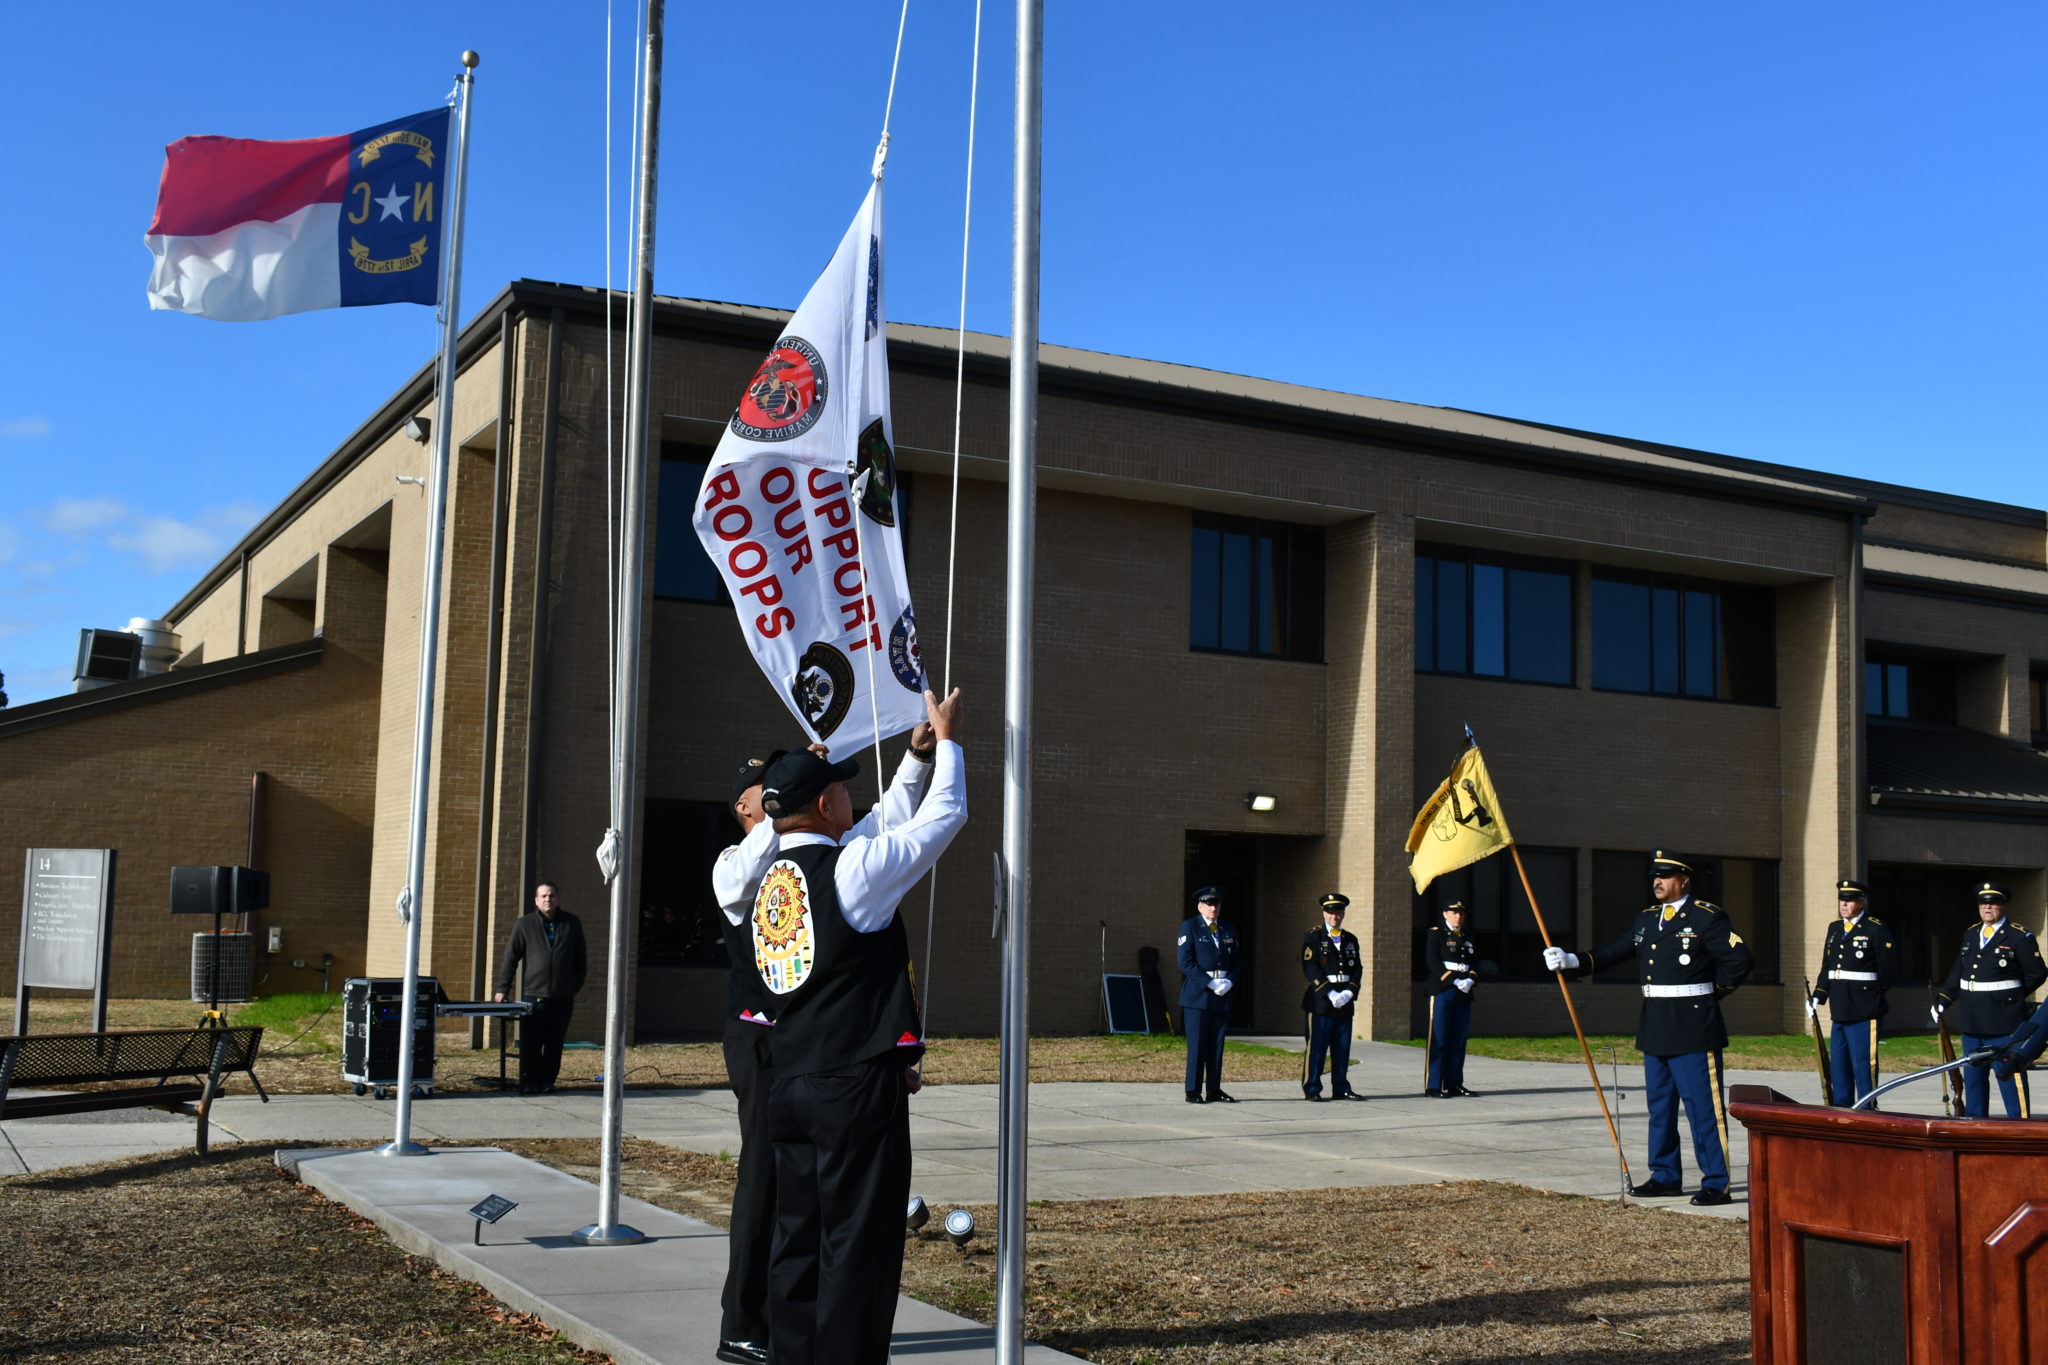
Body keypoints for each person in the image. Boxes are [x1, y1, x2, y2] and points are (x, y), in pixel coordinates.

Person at [708, 731, 937, 1365]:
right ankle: (743, 1321)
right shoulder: (743, 860)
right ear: (749, 807)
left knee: (797, 1206)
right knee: (768, 1190)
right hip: (765, 1038)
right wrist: (791, 799)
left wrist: (915, 761)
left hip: (818, 1045)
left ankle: (783, 1334)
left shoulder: (813, 848)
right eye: (766, 788)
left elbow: (877, 821)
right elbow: (766, 858)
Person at [753, 688, 966, 1365]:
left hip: (788, 1081)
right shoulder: (851, 869)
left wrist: (914, 756)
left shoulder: (770, 875)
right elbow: (940, 818)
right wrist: (951, 744)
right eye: (843, 792)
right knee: (858, 1245)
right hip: (850, 1087)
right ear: (824, 806)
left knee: (797, 1239)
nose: (853, 799)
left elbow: (883, 826)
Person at [1543, 850, 1753, 1206]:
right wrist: (1573, 960)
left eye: (1666, 875)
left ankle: (1716, 1182)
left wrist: (1707, 996)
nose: (1657, 881)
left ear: (1684, 881)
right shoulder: (1646, 920)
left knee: (1703, 1109)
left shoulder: (1706, 918)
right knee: (1661, 1107)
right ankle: (1665, 1176)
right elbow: (1617, 951)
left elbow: (1739, 961)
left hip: (1693, 1026)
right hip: (1656, 1025)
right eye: (1654, 876)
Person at [1933, 881, 2046, 1118]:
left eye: (1993, 903)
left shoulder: (2018, 936)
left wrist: (2010, 997)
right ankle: (1976, 1132)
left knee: (2009, 1079)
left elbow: (2037, 973)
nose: (1987, 908)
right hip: (1972, 1022)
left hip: (2004, 1023)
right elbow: (1958, 972)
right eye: (1983, 903)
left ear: (2003, 906)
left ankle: (2020, 1133)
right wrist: (1943, 1000)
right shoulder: (1971, 934)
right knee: (1974, 1084)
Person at [1806, 878, 1899, 1107]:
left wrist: (1872, 995)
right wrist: (1818, 995)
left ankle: (1867, 1110)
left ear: (1861, 903)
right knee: (1839, 1066)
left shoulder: (1875, 928)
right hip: (1840, 1008)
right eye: (1842, 900)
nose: (1844, 904)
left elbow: (1889, 969)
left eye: (1850, 900)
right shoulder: (1835, 928)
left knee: (1863, 1066)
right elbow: (1828, 966)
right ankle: (1842, 1110)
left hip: (1863, 1009)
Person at [492, 882, 587, 1095]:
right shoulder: (524, 924)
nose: (548, 899)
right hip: (534, 996)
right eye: (543, 896)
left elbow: (581, 959)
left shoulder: (571, 924)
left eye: (551, 895)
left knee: (554, 1043)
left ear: (557, 898)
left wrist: (574, 986)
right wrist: (502, 988)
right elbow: (511, 958)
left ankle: (547, 1081)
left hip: (562, 997)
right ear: (536, 900)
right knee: (531, 1043)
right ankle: (530, 1080)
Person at [1178, 886, 1241, 1103]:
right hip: (1198, 994)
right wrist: (1209, 983)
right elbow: (1185, 962)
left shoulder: (1228, 928)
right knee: (1197, 1045)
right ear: (1200, 906)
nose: (1213, 908)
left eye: (1216, 904)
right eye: (1208, 904)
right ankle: (1193, 1090)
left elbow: (1237, 961)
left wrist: (1229, 981)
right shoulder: (1190, 927)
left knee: (1216, 1045)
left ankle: (1214, 1089)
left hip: (1222, 992)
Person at [1300, 892, 1364, 1101]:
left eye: (1338, 911)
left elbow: (1357, 969)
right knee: (1317, 1048)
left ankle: (1341, 1087)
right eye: (1330, 912)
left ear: (1343, 913)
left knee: (1342, 1048)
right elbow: (1310, 967)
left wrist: (1349, 992)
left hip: (1344, 1001)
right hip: (1321, 1002)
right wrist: (1329, 992)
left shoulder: (1350, 939)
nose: (1334, 916)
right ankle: (1312, 1088)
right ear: (1324, 913)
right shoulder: (1313, 937)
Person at [1424, 900, 1480, 1098]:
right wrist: (1454, 980)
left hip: (1464, 990)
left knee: (1458, 1039)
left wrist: (1470, 979)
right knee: (1439, 1039)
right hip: (1443, 989)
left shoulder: (1467, 935)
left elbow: (1475, 962)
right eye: (1455, 913)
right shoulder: (1436, 933)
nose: (1459, 917)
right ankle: (1433, 1085)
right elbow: (1432, 961)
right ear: (1445, 914)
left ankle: (1454, 1083)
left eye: (1462, 913)